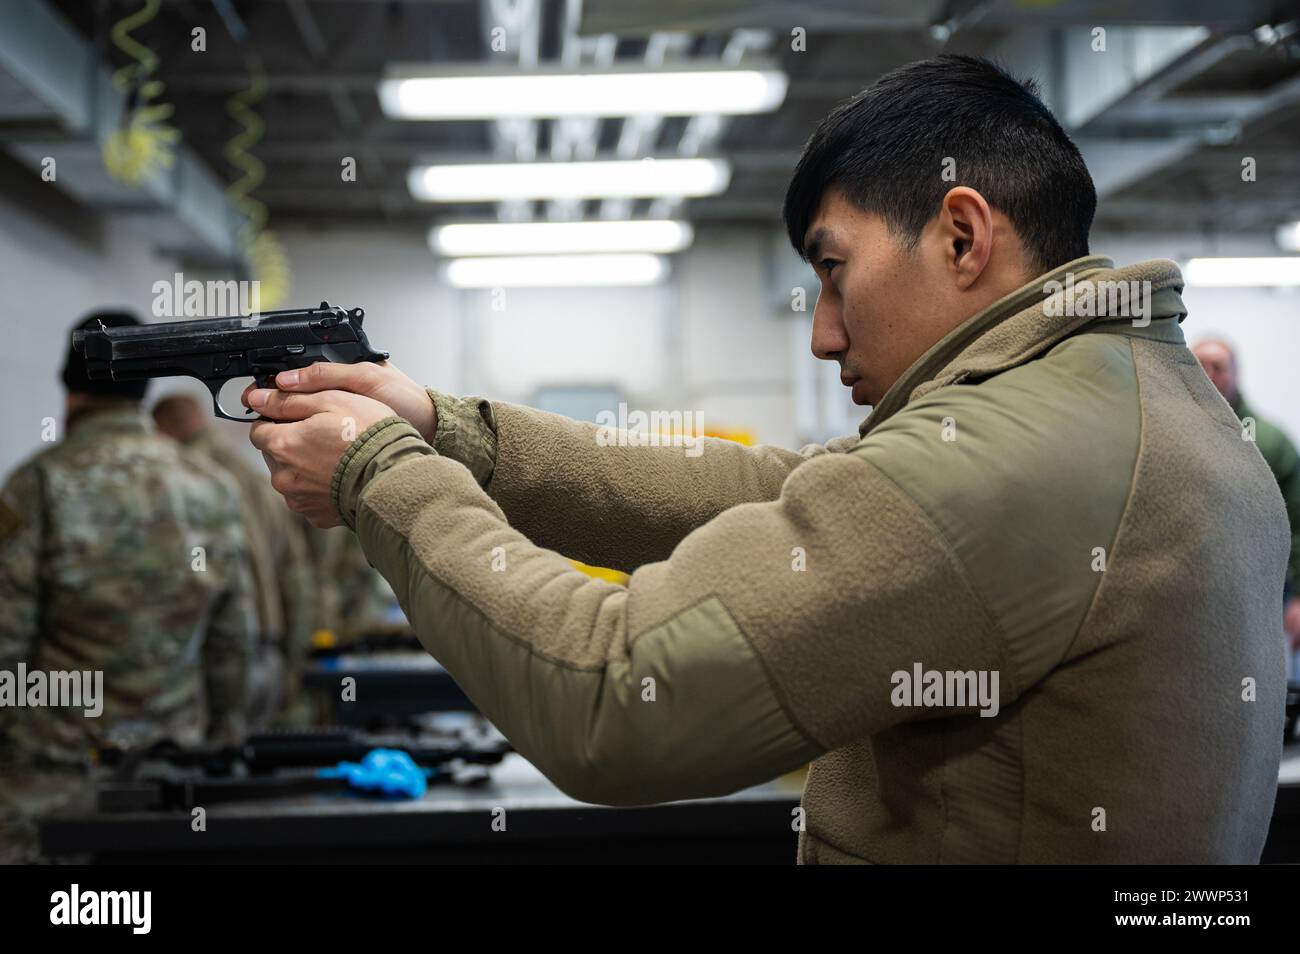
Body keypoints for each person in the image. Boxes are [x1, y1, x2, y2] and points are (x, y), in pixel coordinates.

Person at [242, 55, 1290, 863]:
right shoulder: (1131, 400)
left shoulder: (1019, 459)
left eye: (835, 273)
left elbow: (614, 694)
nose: (823, 335)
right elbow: (796, 495)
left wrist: (380, 472)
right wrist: (447, 429)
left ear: (963, 237)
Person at [0, 312, 254, 862]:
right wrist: (222, 743)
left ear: (69, 389)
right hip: (169, 767)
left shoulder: (36, 484)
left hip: (53, 772)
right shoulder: (211, 487)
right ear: (144, 389)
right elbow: (232, 638)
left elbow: (6, 640)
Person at [153, 394, 317, 727]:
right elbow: (297, 580)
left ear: (163, 430)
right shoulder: (263, 483)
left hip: (209, 664)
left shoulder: (179, 483)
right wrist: (295, 665)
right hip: (267, 658)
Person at [1191, 339, 1300, 646]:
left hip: (1261, 602)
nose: (1209, 374)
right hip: (1189, 600)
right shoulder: (1167, 435)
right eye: (1200, 365)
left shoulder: (1271, 443)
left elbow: (1299, 521)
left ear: (1237, 373)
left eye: (1219, 366)